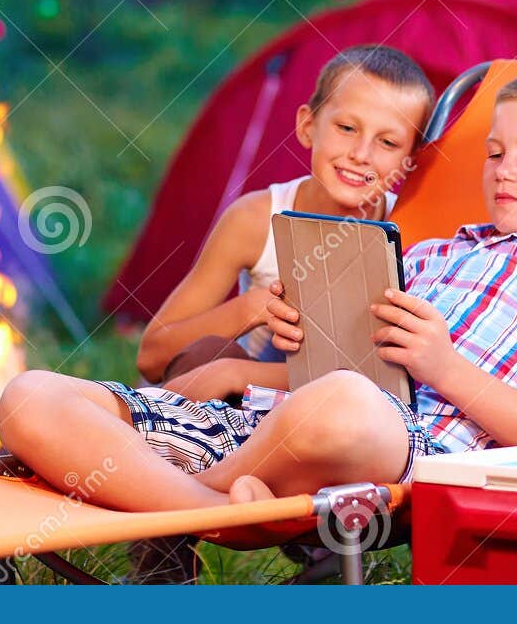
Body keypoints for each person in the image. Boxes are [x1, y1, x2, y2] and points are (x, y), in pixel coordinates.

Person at [0, 70, 517, 511]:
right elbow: (344, 370)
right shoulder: (428, 253)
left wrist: (440, 364)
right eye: (495, 153)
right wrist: (234, 372)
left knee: (342, 404)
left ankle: (170, 500)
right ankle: (208, 505)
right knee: (29, 396)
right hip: (271, 430)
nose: (504, 172)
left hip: (404, 449)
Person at [137, 45, 435, 400]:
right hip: (241, 405)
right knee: (207, 355)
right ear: (308, 127)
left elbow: (389, 379)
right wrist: (251, 309)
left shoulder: (411, 232)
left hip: (339, 414)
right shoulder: (256, 219)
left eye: (387, 142)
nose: (361, 154)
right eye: (346, 128)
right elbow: (152, 356)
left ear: (411, 158)